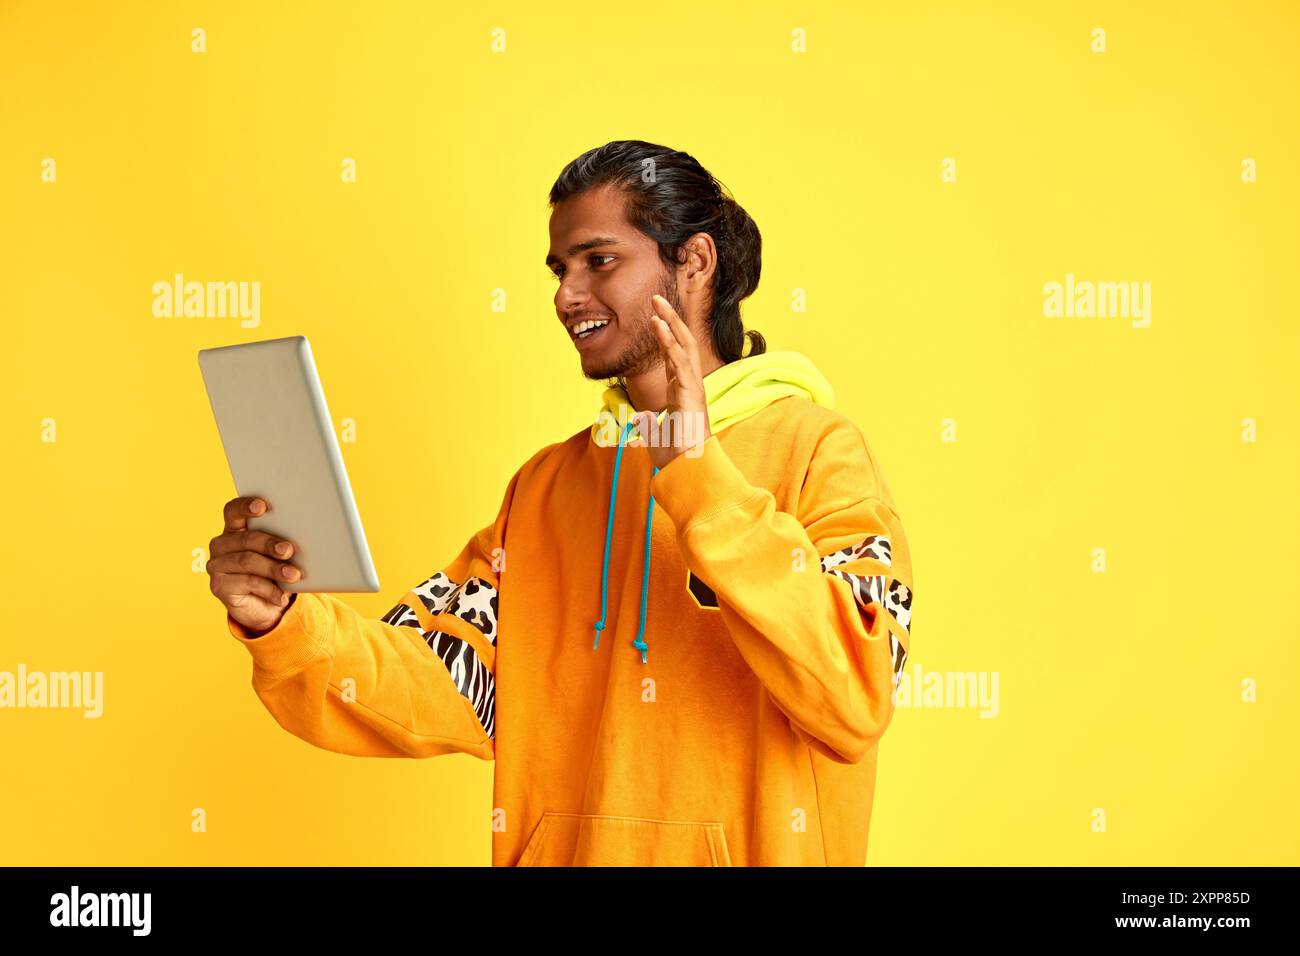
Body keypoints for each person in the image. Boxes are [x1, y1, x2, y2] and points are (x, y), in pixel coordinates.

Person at [206, 140, 914, 866]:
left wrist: (697, 477)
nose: (566, 295)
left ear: (694, 263)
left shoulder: (817, 451)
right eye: (560, 269)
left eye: (599, 260)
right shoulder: (547, 486)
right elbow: (443, 676)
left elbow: (855, 696)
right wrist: (282, 622)